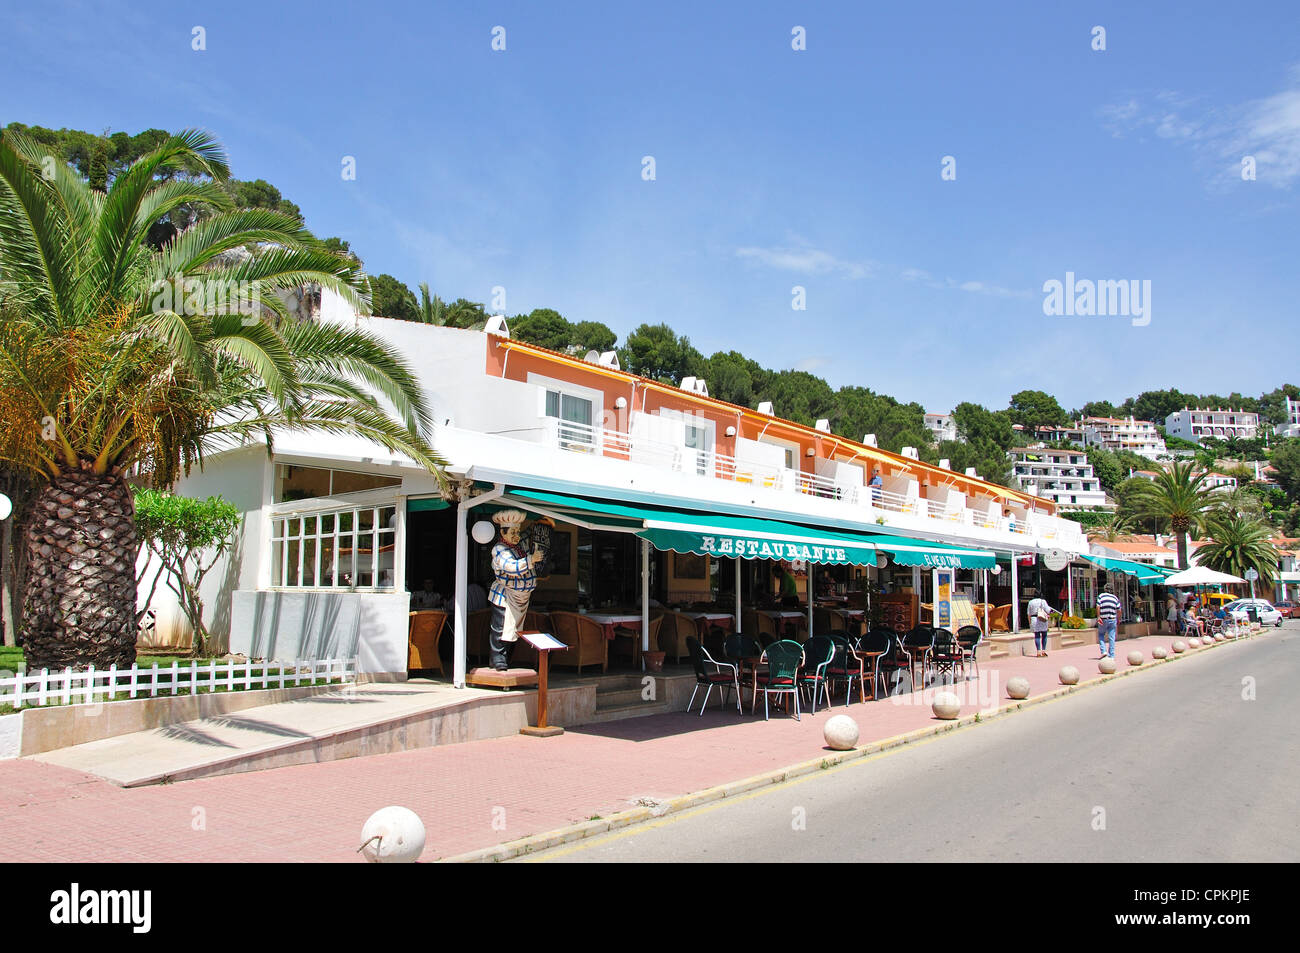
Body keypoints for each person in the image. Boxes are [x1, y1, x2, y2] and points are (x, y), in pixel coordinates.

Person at [487, 509, 545, 671]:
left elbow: (527, 535)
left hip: (522, 597)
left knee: (514, 630)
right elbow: (511, 567)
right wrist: (531, 559)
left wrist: (541, 524)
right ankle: (498, 659)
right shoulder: (499, 550)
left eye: (517, 531)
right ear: (502, 532)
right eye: (512, 532)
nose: (516, 535)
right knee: (501, 628)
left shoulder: (520, 546)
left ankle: (507, 658)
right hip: (505, 595)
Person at [1026, 588, 1055, 657]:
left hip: (1034, 619)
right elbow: (1048, 610)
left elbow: (1028, 613)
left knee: (1037, 635)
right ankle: (1043, 651)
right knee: (1044, 634)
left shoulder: (1031, 602)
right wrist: (1051, 612)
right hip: (1042, 619)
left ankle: (1038, 651)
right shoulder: (1043, 601)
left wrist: (1029, 622)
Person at [1096, 583, 1122, 659]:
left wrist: (1098, 617)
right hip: (1112, 619)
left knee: (1101, 634)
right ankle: (1112, 655)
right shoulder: (1115, 598)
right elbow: (1119, 610)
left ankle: (1103, 651)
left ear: (1105, 589)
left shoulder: (1101, 596)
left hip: (1103, 618)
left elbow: (1098, 606)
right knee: (1112, 637)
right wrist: (1119, 619)